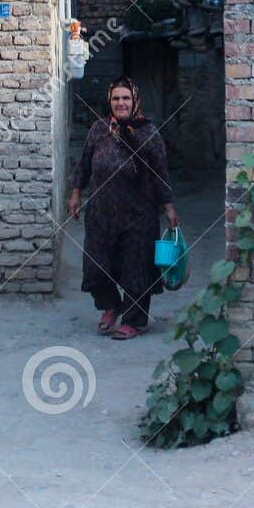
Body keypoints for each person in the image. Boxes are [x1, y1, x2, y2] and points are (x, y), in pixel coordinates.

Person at [68, 77, 180, 340]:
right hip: (101, 212)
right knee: (96, 267)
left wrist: (169, 207)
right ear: (110, 101)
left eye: (125, 98)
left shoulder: (149, 133)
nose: (121, 103)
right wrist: (75, 194)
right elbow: (84, 164)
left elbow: (161, 174)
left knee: (135, 268)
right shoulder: (98, 129)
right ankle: (110, 305)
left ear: (135, 101)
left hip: (138, 214)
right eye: (116, 98)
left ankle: (133, 320)